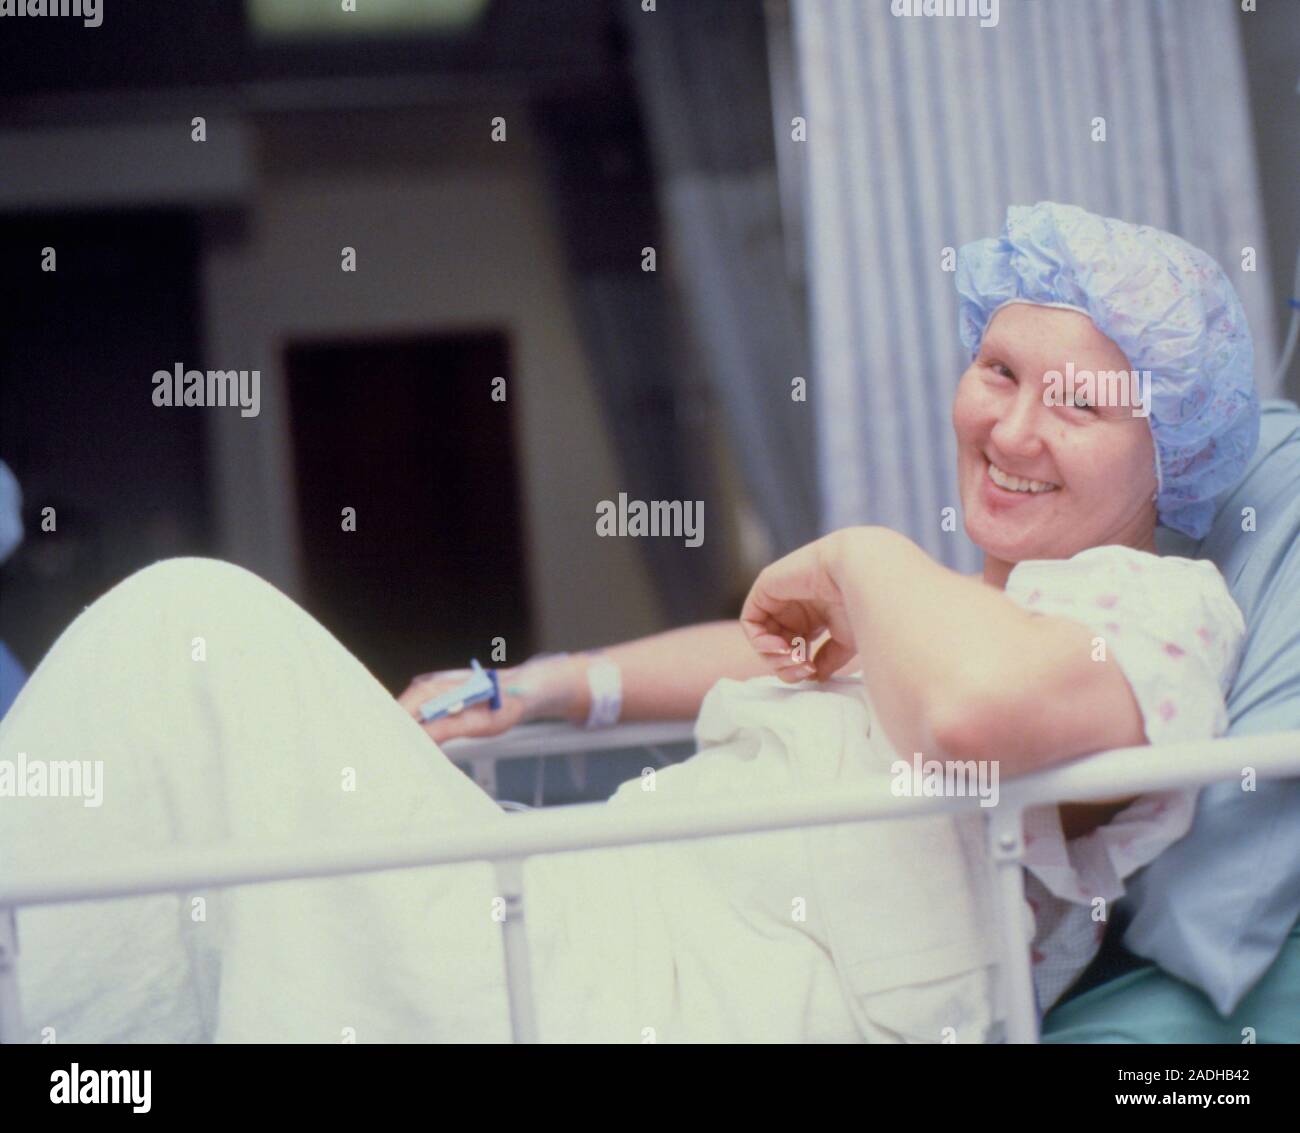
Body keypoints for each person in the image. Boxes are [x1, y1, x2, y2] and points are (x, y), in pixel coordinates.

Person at [0, 202, 1255, 1042]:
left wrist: (860, 553)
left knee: (192, 630)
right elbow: (788, 656)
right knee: (189, 712)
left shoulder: (1154, 610)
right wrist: (551, 685)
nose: (1012, 429)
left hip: (670, 990)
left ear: (1171, 455)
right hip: (590, 921)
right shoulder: (965, 609)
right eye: (997, 372)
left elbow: (964, 717)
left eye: (1078, 404)